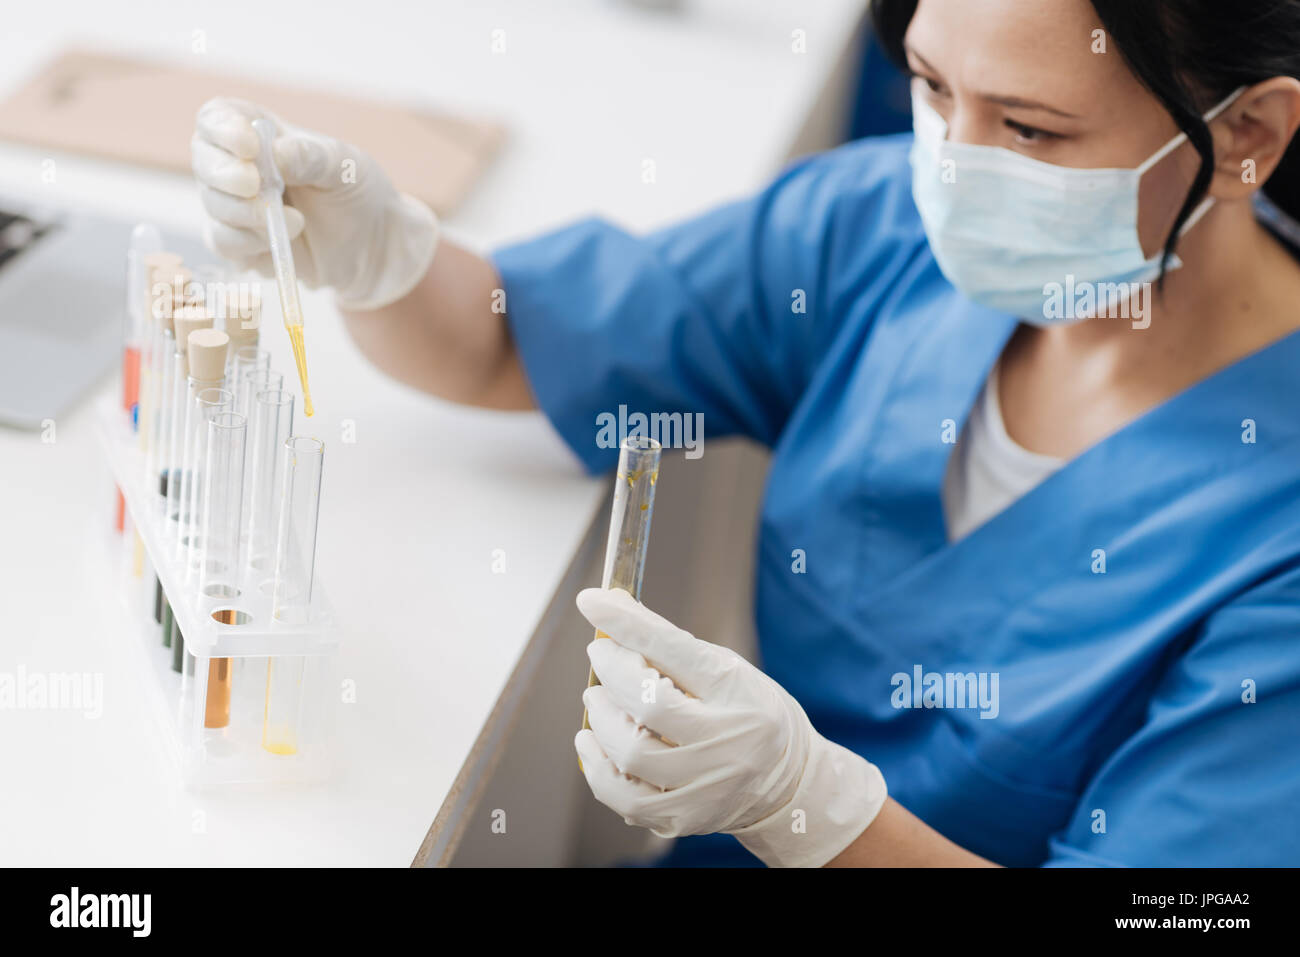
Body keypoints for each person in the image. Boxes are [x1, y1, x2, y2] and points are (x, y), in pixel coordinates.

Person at [192, 0, 1300, 867]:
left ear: (1246, 135)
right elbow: (505, 346)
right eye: (927, 85)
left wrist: (806, 810)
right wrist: (379, 258)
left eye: (1029, 128)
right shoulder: (875, 234)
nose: (954, 168)